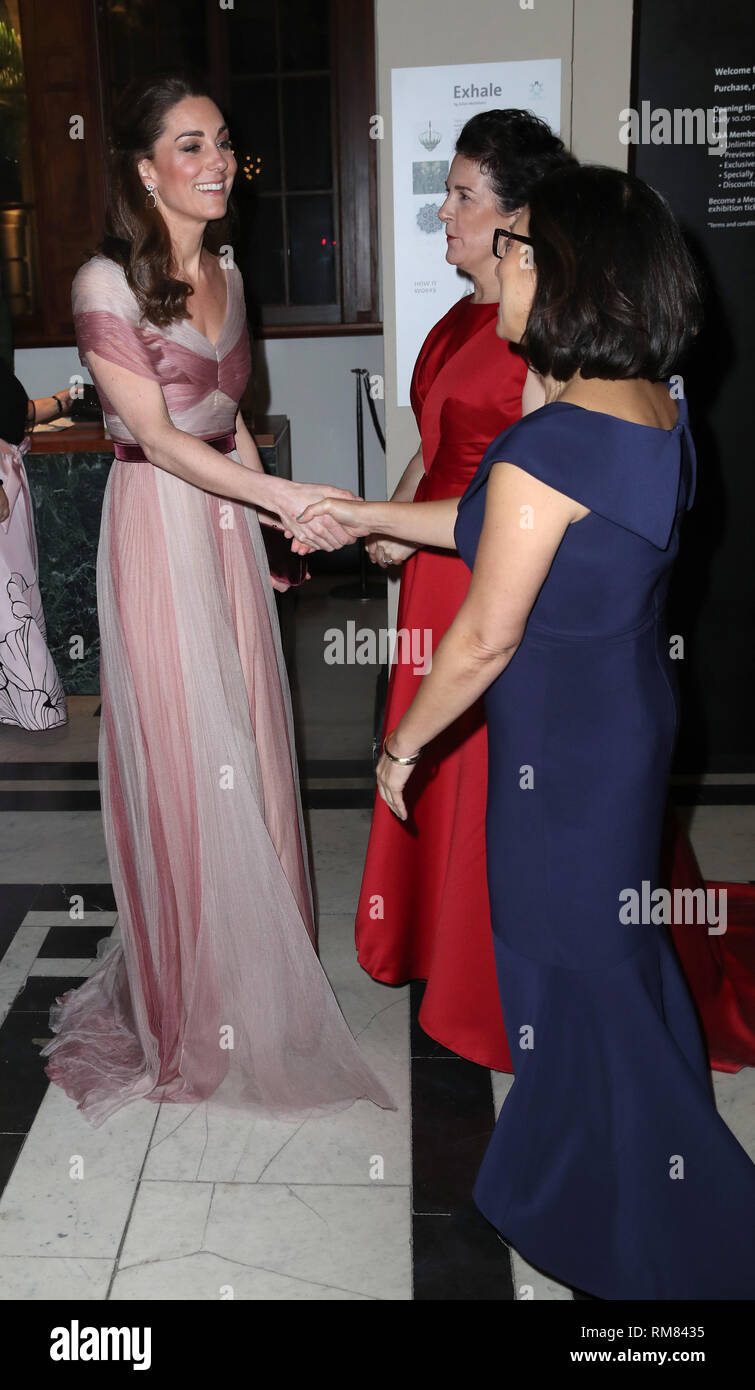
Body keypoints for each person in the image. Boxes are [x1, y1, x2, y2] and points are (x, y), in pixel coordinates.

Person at [300, 165, 755, 1297]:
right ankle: (606, 1155)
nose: (491, 266)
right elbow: (493, 522)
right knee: (610, 952)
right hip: (626, 724)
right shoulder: (654, 400)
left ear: (559, 271)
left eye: (510, 246)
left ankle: (637, 1208)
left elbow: (481, 641)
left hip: (557, 752)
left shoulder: (547, 444)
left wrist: (400, 746)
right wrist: (362, 512)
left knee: (562, 968)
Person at [41, 72, 394, 1126]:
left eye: (223, 142)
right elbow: (155, 437)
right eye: (188, 146)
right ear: (144, 169)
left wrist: (281, 518)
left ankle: (259, 971)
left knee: (247, 735)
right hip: (156, 525)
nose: (216, 161)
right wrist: (279, 490)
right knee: (189, 751)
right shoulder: (103, 283)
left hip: (225, 524)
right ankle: (191, 999)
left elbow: (226, 416)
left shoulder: (232, 273)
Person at [356, 111, 574, 1070]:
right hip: (433, 567)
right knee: (430, 767)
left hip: (489, 573)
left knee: (477, 774)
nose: (439, 212)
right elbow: (435, 442)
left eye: (460, 197)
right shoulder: (457, 314)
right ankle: (428, 941)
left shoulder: (545, 327)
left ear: (515, 217)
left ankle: (481, 982)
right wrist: (388, 520)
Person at [0, 355, 71, 730]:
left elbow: (11, 409)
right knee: (6, 601)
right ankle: (32, 701)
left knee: (15, 592)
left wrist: (62, 402)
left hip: (8, 477)